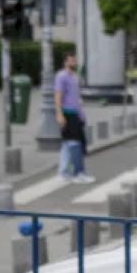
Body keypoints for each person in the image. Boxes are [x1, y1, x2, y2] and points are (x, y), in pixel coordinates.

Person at [55, 51, 91, 183]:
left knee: (67, 144)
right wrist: (59, 114)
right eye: (71, 60)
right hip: (67, 113)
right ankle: (78, 172)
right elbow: (58, 95)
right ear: (65, 62)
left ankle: (63, 172)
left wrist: (82, 114)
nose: (74, 62)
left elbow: (76, 97)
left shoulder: (75, 77)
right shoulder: (61, 76)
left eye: (74, 60)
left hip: (76, 114)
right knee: (75, 143)